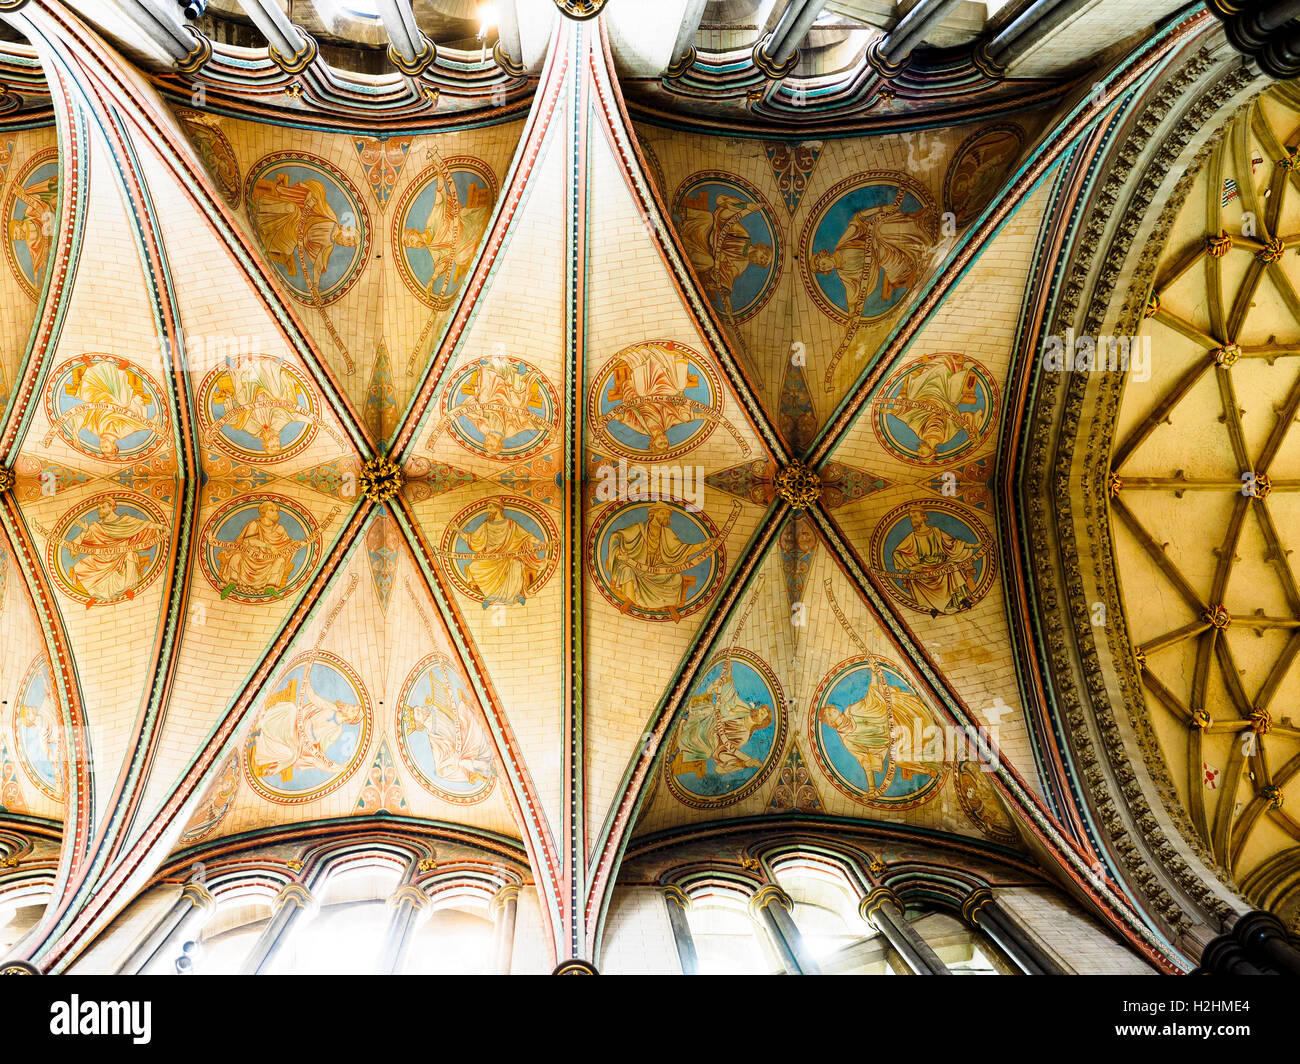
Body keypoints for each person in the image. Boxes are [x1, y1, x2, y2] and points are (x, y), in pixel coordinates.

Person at [812, 188, 931, 315]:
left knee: (885, 229)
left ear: (824, 255)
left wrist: (882, 209)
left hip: (879, 239)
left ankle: (922, 227)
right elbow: (851, 293)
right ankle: (924, 255)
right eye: (823, 269)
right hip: (884, 258)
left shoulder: (842, 246)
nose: (825, 267)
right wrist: (852, 313)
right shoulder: (844, 274)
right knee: (897, 274)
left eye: (823, 263)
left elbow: (858, 219)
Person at [248, 172, 358, 292]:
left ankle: (261, 238)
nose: (345, 243)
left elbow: (318, 265)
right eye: (348, 239)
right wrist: (312, 199)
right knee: (291, 209)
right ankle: (258, 207)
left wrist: (315, 286)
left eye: (348, 244)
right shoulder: (332, 219)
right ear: (346, 229)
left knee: (288, 248)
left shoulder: (328, 246)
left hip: (295, 235)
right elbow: (320, 197)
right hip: (299, 218)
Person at [606, 502, 714, 620]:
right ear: (653, 514)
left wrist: (703, 545)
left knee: (676, 578)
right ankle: (630, 600)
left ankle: (670, 605)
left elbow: (683, 549)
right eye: (662, 513)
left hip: (657, 569)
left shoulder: (667, 533)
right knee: (627, 571)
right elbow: (617, 535)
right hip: (636, 567)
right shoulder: (639, 528)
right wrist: (617, 551)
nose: (665, 517)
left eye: (667, 515)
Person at [676, 190, 772, 316]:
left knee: (708, 262)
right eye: (763, 256)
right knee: (709, 218)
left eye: (762, 262)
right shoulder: (744, 236)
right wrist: (745, 208)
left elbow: (728, 276)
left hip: (708, 252)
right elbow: (723, 219)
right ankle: (681, 218)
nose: (761, 259)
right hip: (710, 233)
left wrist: (726, 296)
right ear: (760, 247)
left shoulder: (742, 265)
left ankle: (679, 247)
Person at [672, 659, 771, 779]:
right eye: (760, 710)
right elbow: (732, 696)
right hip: (712, 720)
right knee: (709, 709)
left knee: (702, 747)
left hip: (711, 740)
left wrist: (745, 761)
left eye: (761, 715)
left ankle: (682, 740)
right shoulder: (745, 709)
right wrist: (728, 674)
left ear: (760, 723)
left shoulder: (744, 736)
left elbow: (725, 749)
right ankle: (686, 716)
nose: (758, 713)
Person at [603, 343, 700, 456]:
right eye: (665, 443)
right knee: (679, 387)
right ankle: (670, 357)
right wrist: (707, 416)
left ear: (652, 442)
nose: (663, 441)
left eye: (660, 443)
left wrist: (605, 419)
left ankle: (637, 358)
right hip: (661, 394)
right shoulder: (667, 425)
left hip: (639, 396)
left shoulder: (642, 429)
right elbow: (688, 417)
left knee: (643, 391)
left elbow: (623, 418)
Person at [64, 500, 166, 602]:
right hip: (101, 559)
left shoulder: (125, 520)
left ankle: (127, 588)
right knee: (79, 567)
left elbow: (145, 524)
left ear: (112, 507)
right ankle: (97, 594)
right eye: (98, 508)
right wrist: (85, 531)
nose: (100, 510)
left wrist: (163, 528)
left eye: (103, 507)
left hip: (121, 557)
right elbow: (74, 551)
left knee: (131, 555)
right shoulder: (95, 527)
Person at [890, 506, 980, 615]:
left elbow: (954, 543)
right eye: (911, 518)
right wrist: (910, 567)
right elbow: (897, 553)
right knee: (913, 578)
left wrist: (974, 546)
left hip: (942, 564)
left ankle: (959, 600)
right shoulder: (912, 536)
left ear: (923, 517)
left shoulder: (935, 531)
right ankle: (932, 606)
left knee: (952, 568)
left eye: (915, 517)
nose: (912, 520)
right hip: (925, 568)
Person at [458, 499, 546, 607]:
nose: (488, 510)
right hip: (491, 557)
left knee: (516, 564)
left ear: (498, 507)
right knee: (474, 566)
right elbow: (473, 539)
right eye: (488, 507)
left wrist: (541, 543)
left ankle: (515, 594)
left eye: (490, 507)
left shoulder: (511, 524)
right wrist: (458, 531)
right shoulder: (486, 525)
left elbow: (526, 536)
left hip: (508, 556)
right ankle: (491, 595)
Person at [216, 501, 304, 597]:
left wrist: (296, 544)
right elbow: (251, 541)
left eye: (276, 511)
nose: (276, 513)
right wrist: (269, 546)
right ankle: (232, 583)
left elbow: (287, 544)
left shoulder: (280, 528)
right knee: (236, 556)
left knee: (281, 560)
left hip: (269, 560)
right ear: (264, 512)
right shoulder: (255, 524)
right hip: (251, 557)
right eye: (272, 510)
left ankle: (271, 586)